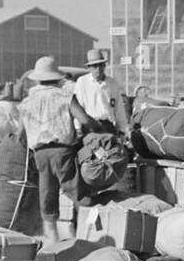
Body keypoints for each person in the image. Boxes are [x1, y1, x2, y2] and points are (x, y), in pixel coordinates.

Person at [19, 55, 79, 248]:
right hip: (62, 151)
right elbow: (84, 119)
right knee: (74, 190)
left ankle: (52, 239)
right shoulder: (65, 97)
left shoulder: (27, 102)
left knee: (47, 192)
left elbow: (21, 132)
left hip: (40, 153)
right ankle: (82, 232)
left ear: (38, 79)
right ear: (57, 78)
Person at [72, 47, 128, 135]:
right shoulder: (82, 82)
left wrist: (122, 129)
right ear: (89, 68)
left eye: (101, 65)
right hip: (89, 127)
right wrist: (78, 128)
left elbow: (119, 108)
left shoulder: (112, 83)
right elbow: (78, 106)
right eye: (95, 66)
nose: (98, 68)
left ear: (104, 66)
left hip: (108, 126)